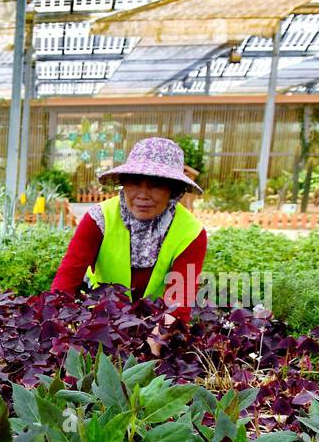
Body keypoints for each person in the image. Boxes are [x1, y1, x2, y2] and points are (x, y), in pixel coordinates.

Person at [50, 137, 207, 333]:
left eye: (156, 185)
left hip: (156, 327)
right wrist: (56, 325)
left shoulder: (191, 232)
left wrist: (160, 338)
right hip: (100, 325)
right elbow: (67, 278)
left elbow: (179, 300)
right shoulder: (99, 219)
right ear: (123, 185)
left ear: (174, 190)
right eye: (134, 183)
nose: (143, 194)